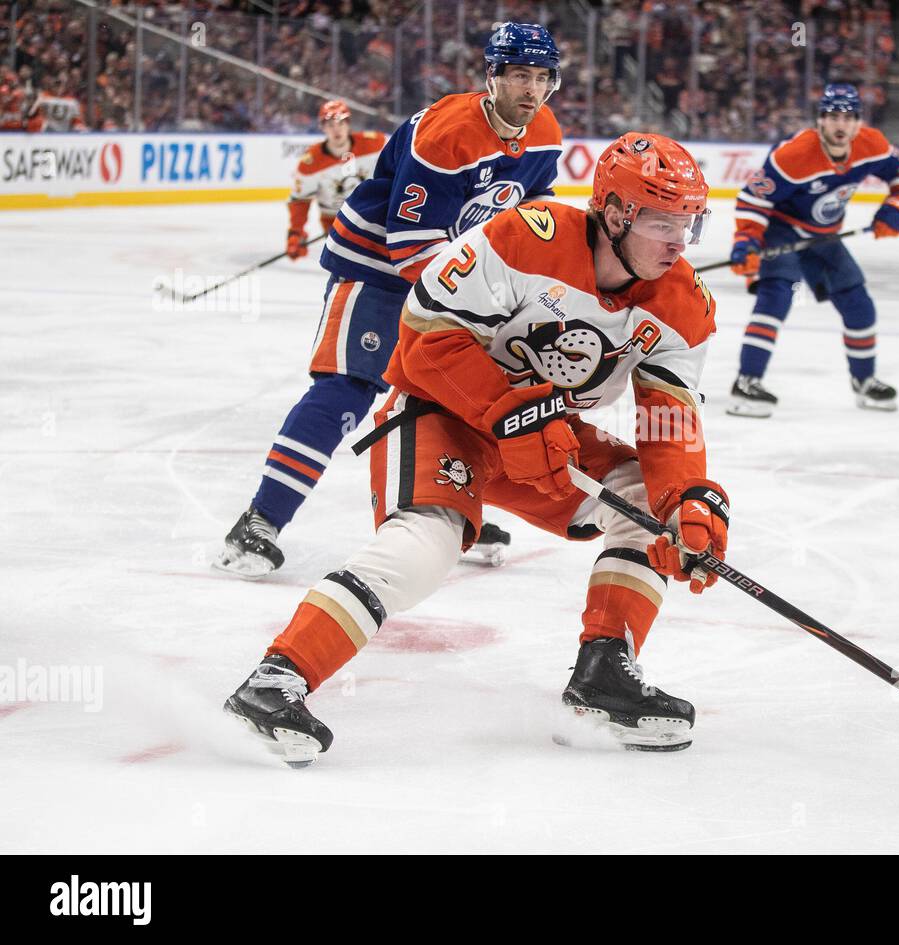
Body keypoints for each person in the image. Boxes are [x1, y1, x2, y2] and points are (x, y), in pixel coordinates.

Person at [223, 133, 727, 763]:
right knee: (427, 543)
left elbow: (667, 420)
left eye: (691, 222)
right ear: (617, 211)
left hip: (539, 441)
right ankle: (277, 678)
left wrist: (691, 500)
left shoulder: (684, 302)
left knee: (647, 503)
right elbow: (425, 341)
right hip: (442, 414)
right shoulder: (526, 237)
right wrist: (515, 413)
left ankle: (604, 676)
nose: (681, 242)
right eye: (663, 222)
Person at [214, 23, 565, 577]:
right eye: (520, 75)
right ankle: (260, 519)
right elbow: (409, 247)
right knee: (346, 391)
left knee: (458, 402)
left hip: (453, 274)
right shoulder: (448, 134)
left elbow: (533, 208)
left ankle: (449, 510)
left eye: (543, 77)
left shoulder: (544, 129)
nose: (532, 89)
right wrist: (480, 303)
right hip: (377, 268)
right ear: (492, 76)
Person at [727, 83, 899, 418]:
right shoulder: (793, 156)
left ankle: (864, 382)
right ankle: (746, 383)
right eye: (832, 116)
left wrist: (896, 208)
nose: (840, 125)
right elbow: (754, 199)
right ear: (820, 121)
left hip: (824, 235)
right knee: (777, 296)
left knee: (858, 303)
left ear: (858, 122)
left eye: (848, 117)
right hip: (781, 229)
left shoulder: (872, 144)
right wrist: (747, 242)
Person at [284, 100, 386, 262]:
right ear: (323, 128)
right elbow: (300, 201)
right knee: (350, 269)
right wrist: (296, 233)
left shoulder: (375, 144)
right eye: (330, 125)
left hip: (375, 215)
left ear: (348, 124)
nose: (336, 129)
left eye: (340, 123)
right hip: (336, 222)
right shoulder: (310, 163)